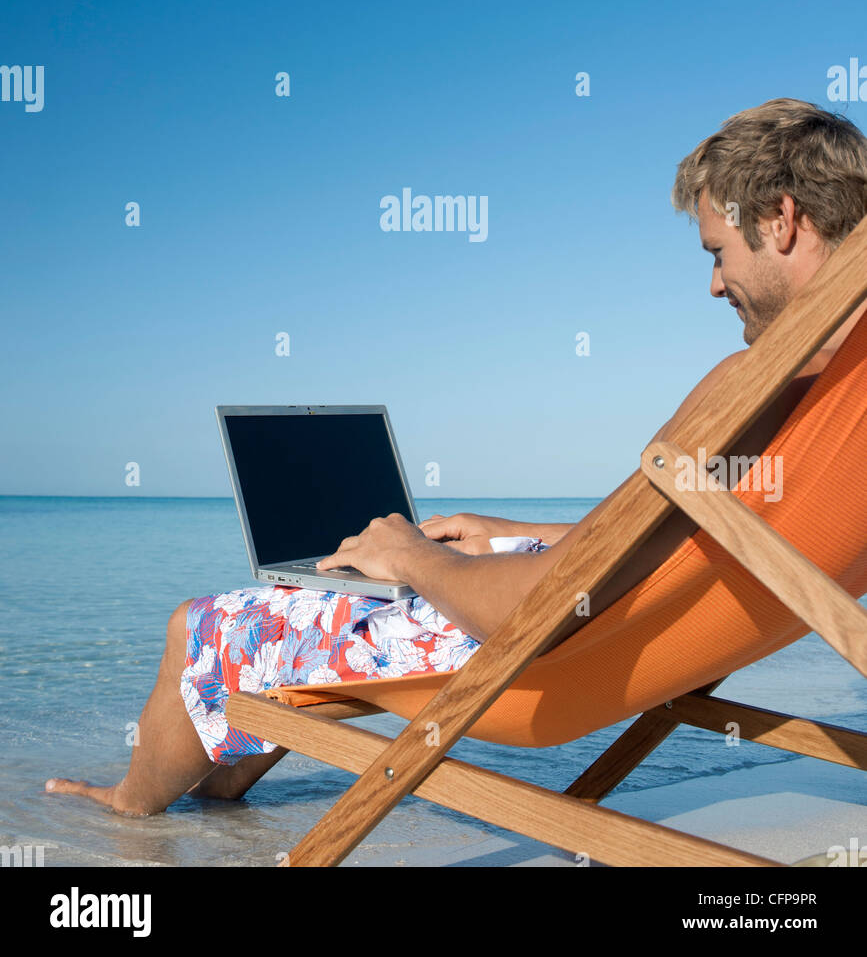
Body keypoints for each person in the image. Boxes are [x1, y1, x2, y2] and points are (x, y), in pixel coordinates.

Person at [45, 98, 867, 816]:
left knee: (208, 624)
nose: (715, 287)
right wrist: (505, 531)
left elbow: (542, 607)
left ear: (780, 219)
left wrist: (411, 558)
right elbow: (684, 536)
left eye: (716, 253)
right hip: (620, 634)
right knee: (354, 586)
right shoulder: (839, 391)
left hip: (544, 664)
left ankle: (125, 813)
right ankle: (222, 783)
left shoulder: (754, 387)